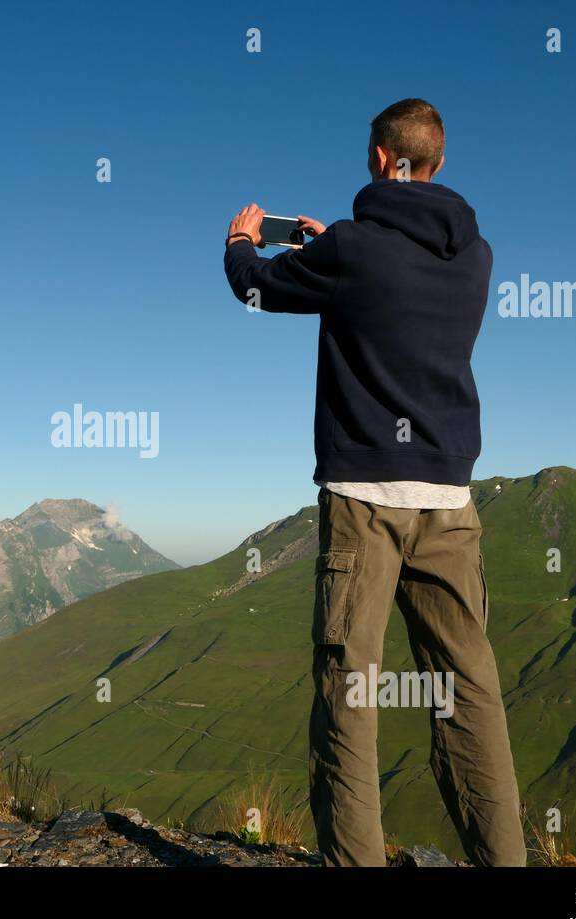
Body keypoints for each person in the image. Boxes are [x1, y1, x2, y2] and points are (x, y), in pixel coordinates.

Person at [222, 98, 526, 867]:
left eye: (369, 156)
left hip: (364, 502)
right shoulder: (477, 256)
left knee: (350, 695)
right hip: (450, 505)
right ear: (438, 164)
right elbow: (394, 288)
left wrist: (242, 240)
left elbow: (256, 286)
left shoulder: (353, 252)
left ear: (388, 161)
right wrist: (336, 246)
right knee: (468, 693)